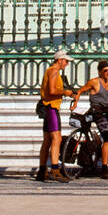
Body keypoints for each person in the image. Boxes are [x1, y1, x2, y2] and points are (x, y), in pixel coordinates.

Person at [70, 61, 108, 179]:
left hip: (107, 112)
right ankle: (104, 169)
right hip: (97, 113)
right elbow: (80, 91)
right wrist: (75, 103)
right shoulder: (94, 82)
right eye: (105, 70)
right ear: (100, 72)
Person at [36, 51, 75, 183]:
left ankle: (42, 171)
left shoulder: (50, 71)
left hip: (47, 107)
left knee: (47, 140)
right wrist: (66, 92)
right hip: (51, 107)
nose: (67, 64)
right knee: (56, 138)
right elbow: (52, 90)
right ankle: (55, 170)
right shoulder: (53, 71)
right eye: (66, 61)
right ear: (60, 60)